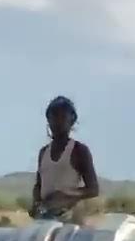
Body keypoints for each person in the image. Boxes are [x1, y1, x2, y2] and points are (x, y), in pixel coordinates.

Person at [32, 95, 100, 225]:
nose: (58, 122)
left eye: (62, 117)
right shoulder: (43, 152)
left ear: (72, 120)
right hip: (45, 217)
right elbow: (39, 185)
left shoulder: (79, 150)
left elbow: (93, 189)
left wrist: (66, 194)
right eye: (54, 117)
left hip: (69, 218)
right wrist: (36, 203)